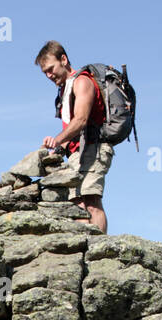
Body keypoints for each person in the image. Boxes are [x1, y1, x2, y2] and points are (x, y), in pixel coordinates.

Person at [34, 40, 112, 233]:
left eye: (51, 69)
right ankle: (84, 251)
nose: (49, 75)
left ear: (64, 59)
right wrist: (59, 148)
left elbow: (81, 120)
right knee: (77, 202)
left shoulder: (82, 81)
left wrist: (57, 139)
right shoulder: (65, 89)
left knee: (91, 199)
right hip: (77, 152)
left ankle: (100, 251)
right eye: (45, 72)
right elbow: (73, 126)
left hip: (94, 148)